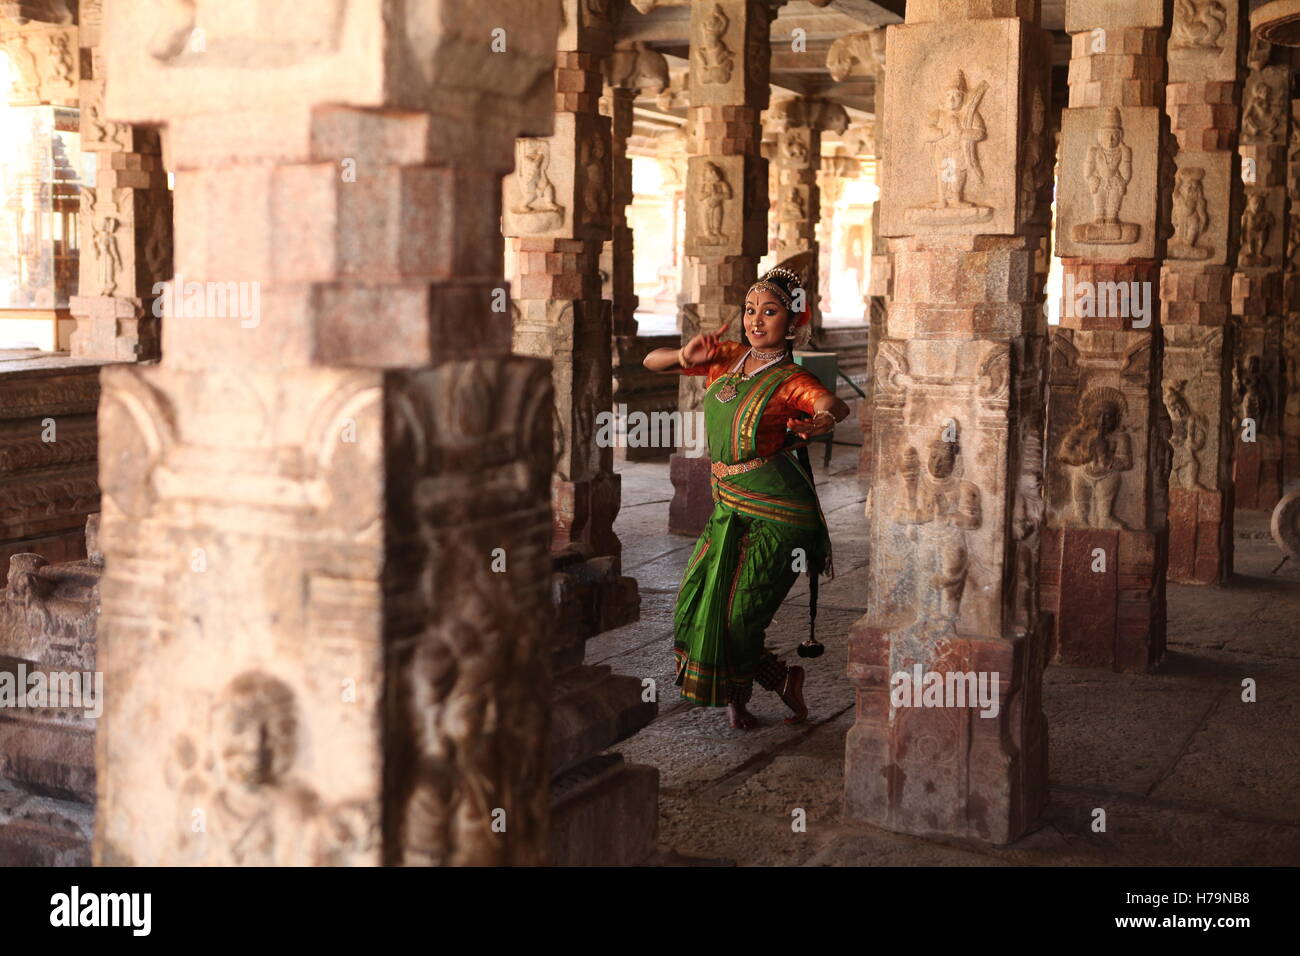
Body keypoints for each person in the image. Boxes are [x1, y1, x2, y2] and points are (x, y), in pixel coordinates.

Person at [643, 267, 850, 729]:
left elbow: (831, 404)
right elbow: (651, 362)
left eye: (770, 312)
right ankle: (776, 682)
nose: (756, 320)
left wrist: (820, 421)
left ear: (792, 323)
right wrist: (682, 352)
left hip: (780, 512)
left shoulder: (791, 378)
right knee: (697, 606)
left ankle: (749, 695)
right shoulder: (727, 359)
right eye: (750, 310)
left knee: (738, 617)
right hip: (730, 505)